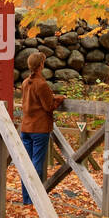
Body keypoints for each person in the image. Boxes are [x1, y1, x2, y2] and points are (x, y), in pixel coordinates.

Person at [19, 51, 65, 205]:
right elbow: (49, 106)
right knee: (36, 165)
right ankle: (34, 199)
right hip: (39, 129)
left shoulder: (25, 83)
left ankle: (27, 199)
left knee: (27, 164)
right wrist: (59, 98)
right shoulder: (41, 84)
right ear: (41, 65)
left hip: (26, 128)